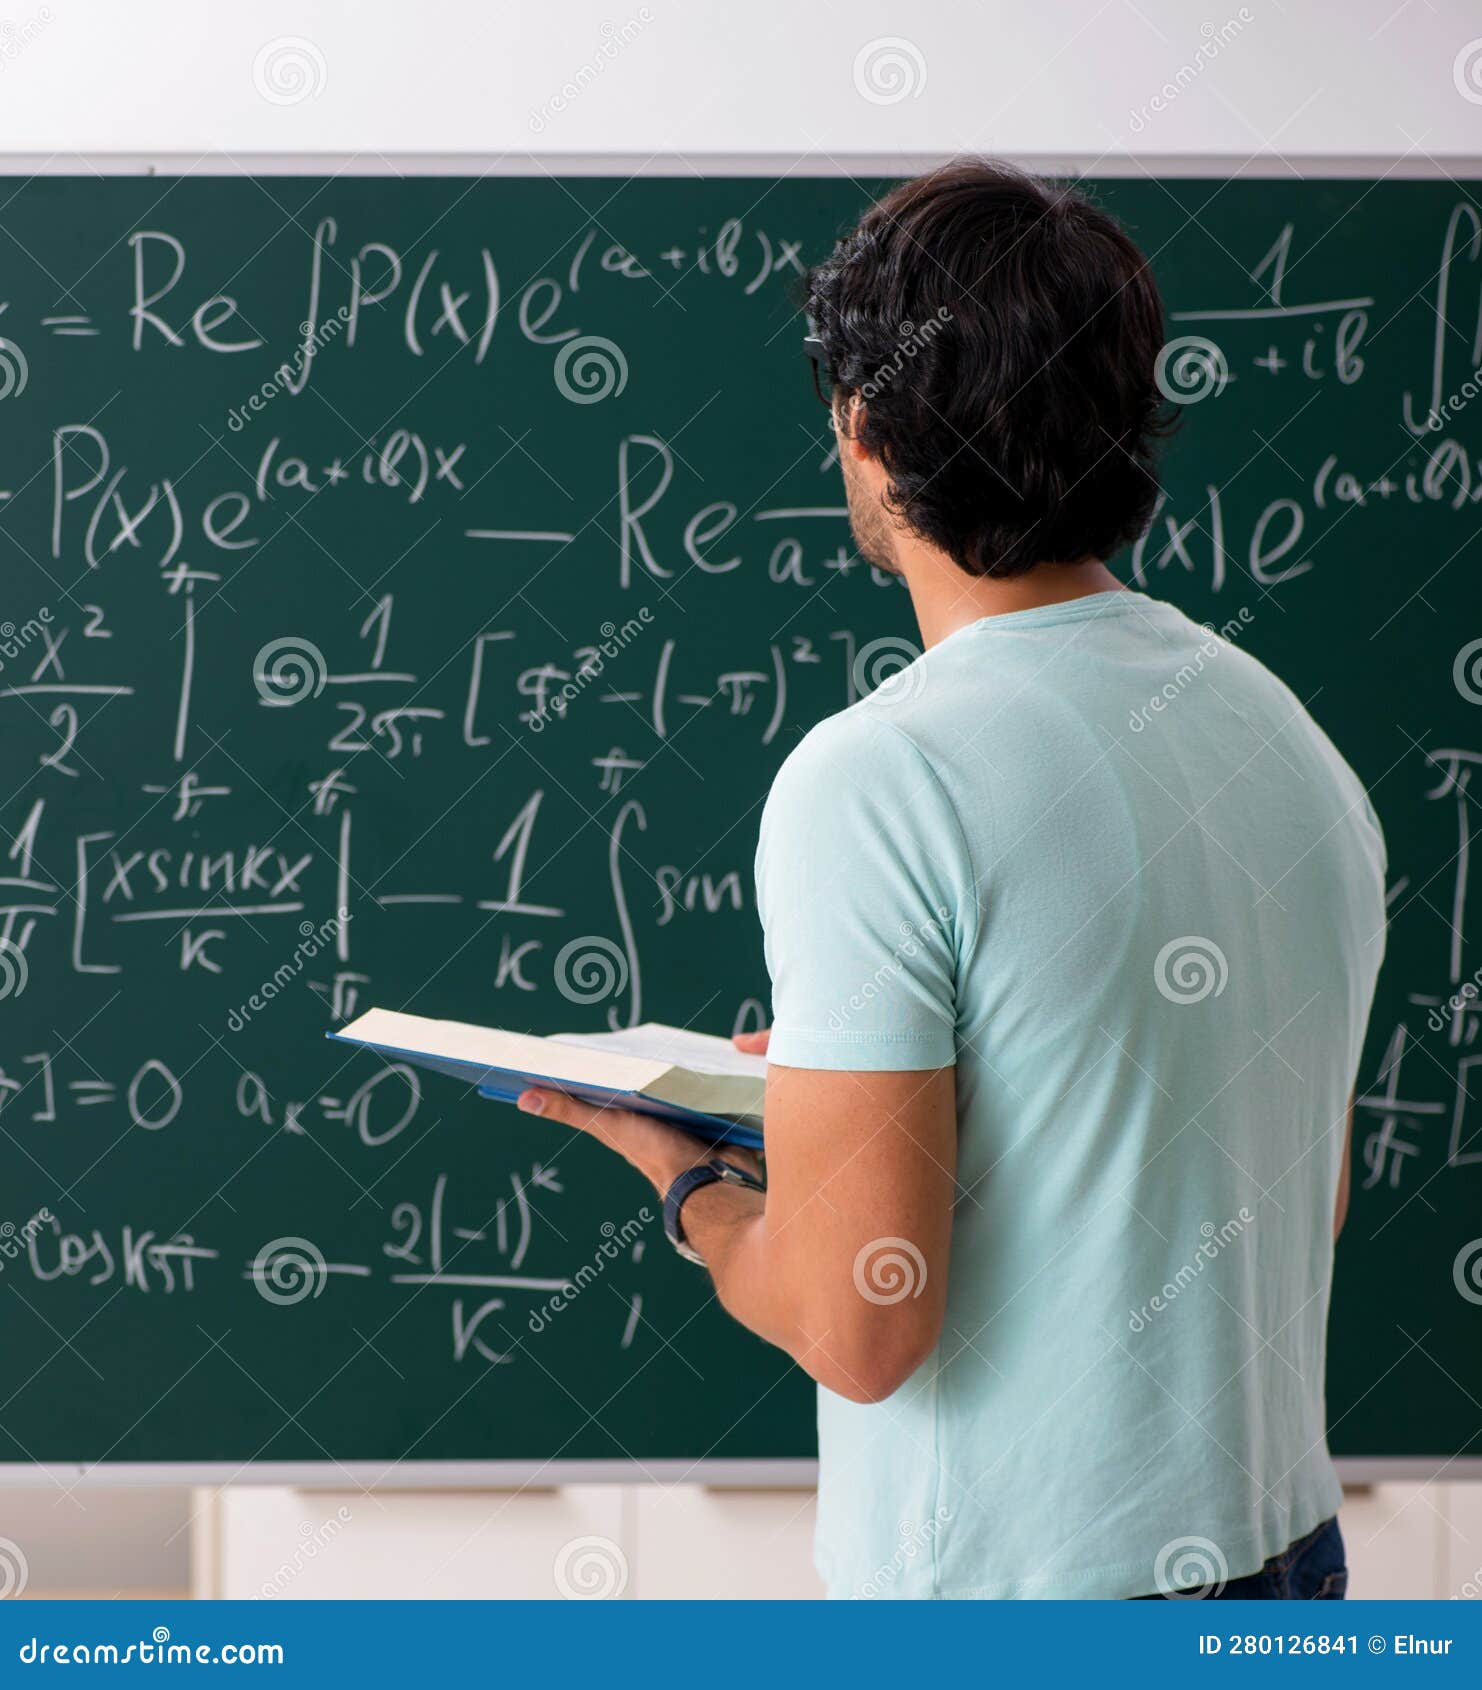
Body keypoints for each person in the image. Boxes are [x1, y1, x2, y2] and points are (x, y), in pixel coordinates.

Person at [517, 160, 1386, 1601]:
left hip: (1022, 1594)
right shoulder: (1282, 736)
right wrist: (878, 1100)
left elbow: (863, 1325)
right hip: (1281, 1557)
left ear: (864, 434)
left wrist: (701, 1195)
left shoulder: (881, 778)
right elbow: (1302, 1182)